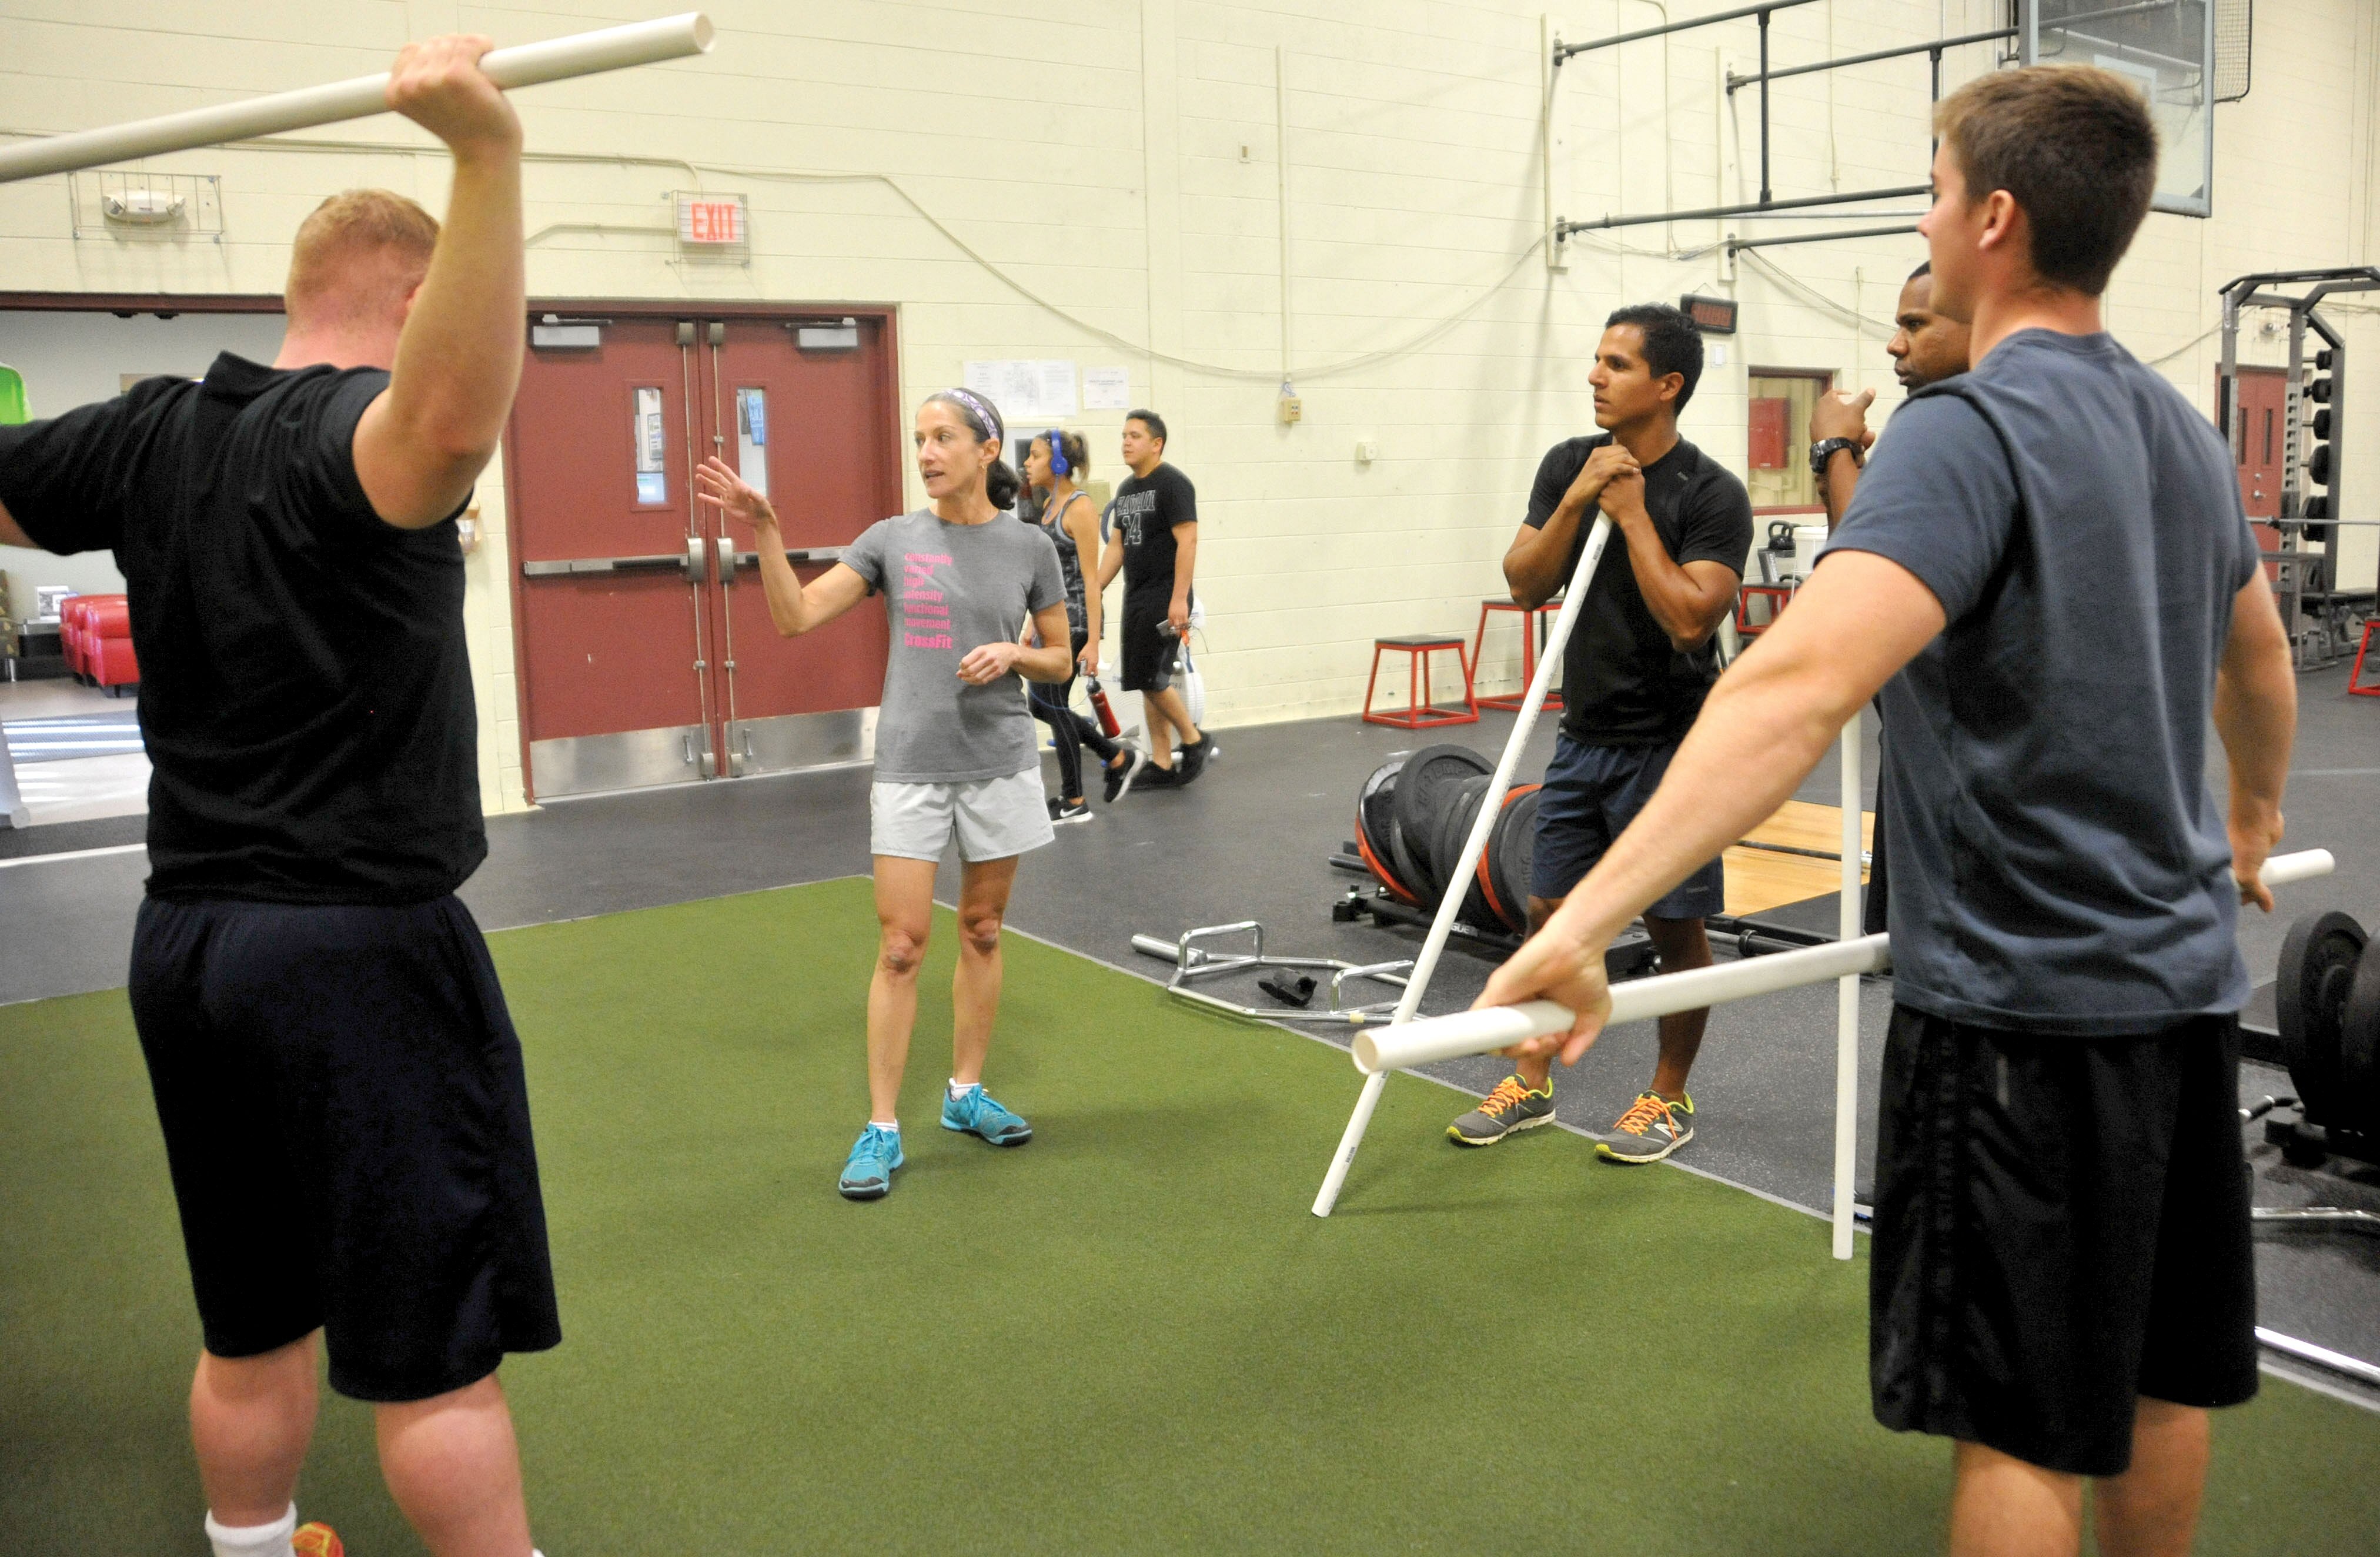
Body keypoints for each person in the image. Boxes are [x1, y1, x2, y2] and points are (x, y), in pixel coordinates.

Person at [1480, 67, 2295, 1557]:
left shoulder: (1962, 430)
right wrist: (2245, 826)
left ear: (1992, 219)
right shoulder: (2181, 433)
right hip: (2183, 1001)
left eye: (1932, 188)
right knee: (2161, 1379)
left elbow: (1788, 691)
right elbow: (2260, 661)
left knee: (2024, 1424)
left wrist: (1583, 924)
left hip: (2020, 1020)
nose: (1923, 217)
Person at [0, 38, 557, 1557]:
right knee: (436, 1360)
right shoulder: (348, 439)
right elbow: (446, 422)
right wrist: (489, 157)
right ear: (404, 299)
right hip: (354, 953)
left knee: (249, 1320)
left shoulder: (152, 428)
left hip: (184, 948)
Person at [696, 386, 1071, 1203]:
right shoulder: (891, 541)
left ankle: (966, 1094)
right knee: (902, 945)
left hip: (1000, 760)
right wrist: (767, 530)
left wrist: (1014, 656)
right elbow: (795, 618)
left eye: (943, 439)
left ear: (986, 449)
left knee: (981, 929)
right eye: (919, 440)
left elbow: (1062, 659)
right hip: (910, 762)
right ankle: (883, 1127)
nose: (927, 454)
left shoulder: (1030, 547)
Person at [1446, 303, 1751, 1164]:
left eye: (1616, 364)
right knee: (1548, 916)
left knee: (1673, 925)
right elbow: (1524, 583)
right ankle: (1533, 1077)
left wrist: (1635, 513)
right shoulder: (1565, 465)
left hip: (1677, 747)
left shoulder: (1712, 494)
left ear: (1668, 385)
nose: (1594, 375)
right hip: (1584, 736)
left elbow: (1693, 621)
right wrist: (1581, 498)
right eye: (1596, 360)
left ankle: (1666, 1096)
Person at [1807, 261, 1975, 934]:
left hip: (1958, 758)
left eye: (1915, 324)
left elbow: (1866, 568)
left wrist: (1835, 444)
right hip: (1927, 731)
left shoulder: (1944, 422)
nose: (1894, 345)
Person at [1021, 427, 1142, 818]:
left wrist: (1093, 641)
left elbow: (1092, 581)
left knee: (1050, 703)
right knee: (1041, 705)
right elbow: (1047, 574)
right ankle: (1115, 756)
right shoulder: (1048, 508)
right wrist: (1031, 622)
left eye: (1035, 456)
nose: (1027, 463)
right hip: (1051, 622)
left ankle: (1075, 800)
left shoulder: (1081, 508)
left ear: (1058, 464)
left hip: (1074, 623)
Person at [1097, 409, 1210, 786]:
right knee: (1144, 678)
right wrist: (1094, 587)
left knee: (1149, 677)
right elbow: (1117, 546)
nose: (1126, 442)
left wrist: (1180, 599)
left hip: (1166, 596)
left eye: (1135, 436)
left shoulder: (1174, 484)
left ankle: (1194, 741)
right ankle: (1162, 762)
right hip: (1137, 595)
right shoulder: (1127, 489)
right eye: (1124, 436)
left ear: (1156, 444)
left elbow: (1188, 541)